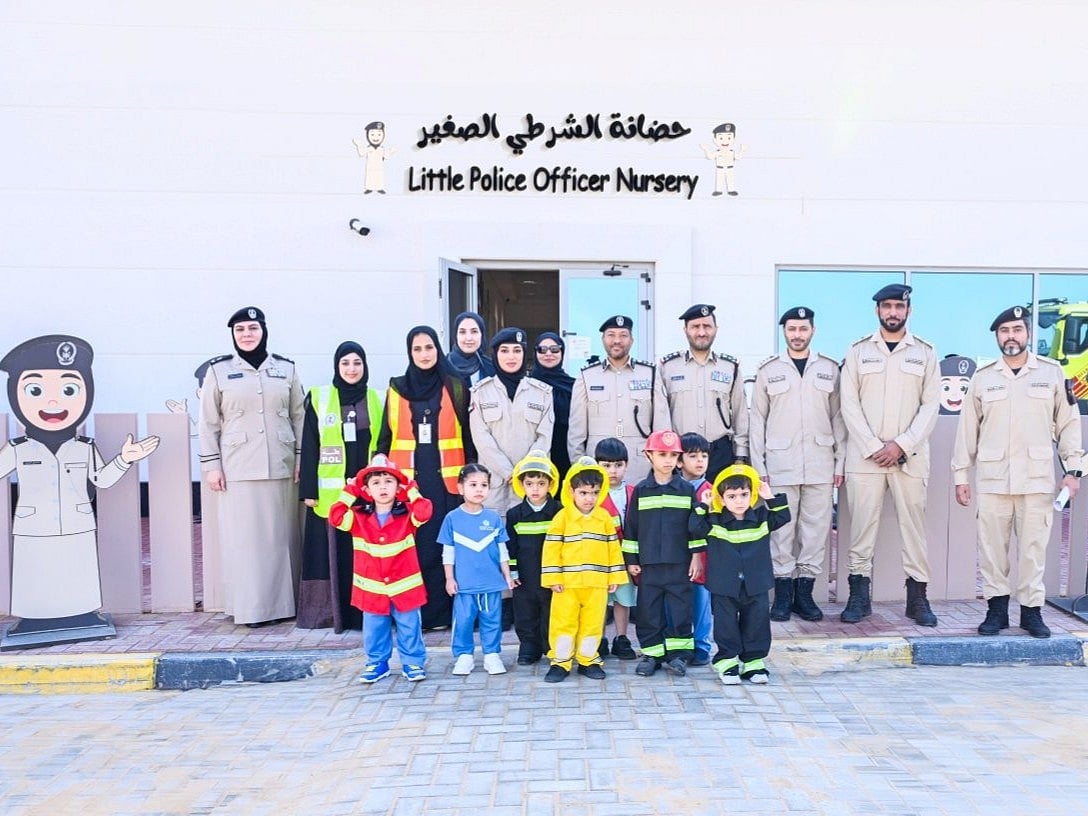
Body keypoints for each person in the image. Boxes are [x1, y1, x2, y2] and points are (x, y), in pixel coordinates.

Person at [0, 335, 159, 640]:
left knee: (76, 572)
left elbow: (102, 479)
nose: (53, 402)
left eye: (69, 390)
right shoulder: (18, 448)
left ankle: (83, 614)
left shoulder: (84, 446)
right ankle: (32, 618)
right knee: (35, 573)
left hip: (77, 523)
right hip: (34, 526)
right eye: (35, 390)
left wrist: (124, 459)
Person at [952, 305, 1084, 639]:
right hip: (993, 480)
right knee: (992, 551)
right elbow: (967, 432)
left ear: (1028, 333)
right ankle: (996, 611)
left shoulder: (1051, 373)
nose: (1011, 337)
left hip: (1036, 480)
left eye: (1016, 330)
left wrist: (1074, 471)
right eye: (1004, 331)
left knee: (1032, 551)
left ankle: (1031, 612)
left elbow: (1068, 426)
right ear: (997, 337)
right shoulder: (983, 378)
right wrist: (960, 476)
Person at [839, 284, 940, 627]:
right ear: (877, 311)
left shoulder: (925, 352)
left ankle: (918, 599)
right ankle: (858, 597)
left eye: (899, 306)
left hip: (909, 458)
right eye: (887, 306)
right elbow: (848, 404)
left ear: (908, 311)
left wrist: (901, 445)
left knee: (914, 530)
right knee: (861, 530)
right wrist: (873, 446)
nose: (893, 312)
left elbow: (930, 406)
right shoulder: (858, 351)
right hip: (865, 459)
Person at [199, 307, 305, 628]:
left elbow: (299, 416)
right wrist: (212, 465)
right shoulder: (219, 371)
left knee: (282, 540)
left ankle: (285, 606)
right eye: (241, 329)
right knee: (246, 544)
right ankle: (252, 609)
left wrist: (301, 457)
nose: (247, 334)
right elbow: (208, 422)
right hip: (239, 468)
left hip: (282, 464)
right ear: (233, 335)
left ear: (264, 331)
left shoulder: (285, 369)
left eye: (253, 328)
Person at [749, 306, 845, 623]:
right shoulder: (768, 370)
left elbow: (839, 418)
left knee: (815, 531)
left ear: (812, 331)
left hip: (820, 463)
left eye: (803, 329)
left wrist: (840, 462)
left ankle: (804, 595)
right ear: (784, 332)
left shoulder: (829, 369)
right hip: (779, 465)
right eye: (792, 329)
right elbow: (757, 421)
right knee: (782, 531)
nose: (797, 335)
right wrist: (759, 467)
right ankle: (782, 596)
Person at [377, 325, 472, 631]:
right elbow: (385, 436)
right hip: (408, 488)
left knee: (445, 549)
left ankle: (445, 615)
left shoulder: (456, 385)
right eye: (417, 349)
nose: (424, 354)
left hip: (447, 485)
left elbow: (468, 436)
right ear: (409, 352)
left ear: (438, 349)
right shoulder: (396, 387)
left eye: (429, 347)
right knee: (413, 551)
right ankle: (415, 614)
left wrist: (472, 478)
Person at [297, 341, 383, 632]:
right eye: (345, 363)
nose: (351, 369)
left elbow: (383, 443)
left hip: (367, 494)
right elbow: (309, 444)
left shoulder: (376, 398)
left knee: (362, 556)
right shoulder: (320, 398)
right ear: (337, 366)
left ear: (365, 366)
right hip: (330, 497)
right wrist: (308, 490)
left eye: (357, 363)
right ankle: (328, 615)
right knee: (331, 557)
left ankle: (362, 615)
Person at [328, 455, 432, 683]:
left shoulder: (407, 514)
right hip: (372, 588)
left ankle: (413, 662)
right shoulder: (358, 517)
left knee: (409, 626)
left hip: (405, 586)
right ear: (366, 490)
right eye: (376, 483)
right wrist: (351, 490)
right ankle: (377, 663)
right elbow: (335, 517)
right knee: (374, 629)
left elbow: (424, 512)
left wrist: (410, 487)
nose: (383, 487)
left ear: (398, 487)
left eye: (389, 481)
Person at [692, 464, 790, 684]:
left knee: (757, 622)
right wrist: (704, 505)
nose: (739, 501)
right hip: (724, 585)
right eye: (732, 496)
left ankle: (753, 662)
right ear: (721, 498)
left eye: (744, 494)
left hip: (756, 584)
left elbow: (783, 516)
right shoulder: (714, 520)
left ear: (752, 494)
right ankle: (727, 663)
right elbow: (694, 527)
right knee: (725, 625)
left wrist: (769, 497)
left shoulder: (762, 518)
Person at [623, 429, 704, 678]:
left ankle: (679, 656)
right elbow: (632, 527)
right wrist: (632, 560)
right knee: (649, 611)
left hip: (680, 563)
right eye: (662, 454)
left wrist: (696, 557)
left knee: (681, 610)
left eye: (673, 455)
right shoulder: (641, 490)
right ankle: (652, 655)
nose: (668, 460)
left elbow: (694, 527)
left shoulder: (686, 490)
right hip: (649, 565)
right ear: (649, 455)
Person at [541, 456, 628, 683]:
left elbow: (613, 548)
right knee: (563, 622)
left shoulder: (605, 518)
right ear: (571, 491)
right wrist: (553, 578)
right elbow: (551, 550)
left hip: (597, 584)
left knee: (593, 622)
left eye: (594, 492)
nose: (589, 498)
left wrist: (614, 576)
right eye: (583, 493)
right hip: (566, 585)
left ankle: (588, 660)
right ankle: (560, 662)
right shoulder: (562, 518)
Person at [568, 314, 671, 484]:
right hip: (598, 465)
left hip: (641, 467)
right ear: (603, 339)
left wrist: (661, 466)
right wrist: (580, 467)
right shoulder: (587, 376)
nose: (617, 341)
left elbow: (662, 425)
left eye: (623, 335)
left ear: (632, 340)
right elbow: (576, 431)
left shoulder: (650, 374)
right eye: (611, 335)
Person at [439, 464, 515, 675]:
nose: (479, 489)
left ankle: (492, 655)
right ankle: (464, 656)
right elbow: (448, 552)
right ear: (460, 488)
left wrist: (508, 575)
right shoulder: (452, 518)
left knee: (492, 620)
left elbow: (502, 550)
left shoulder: (493, 518)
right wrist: (449, 578)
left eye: (484, 485)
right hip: (464, 585)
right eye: (473, 485)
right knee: (463, 621)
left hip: (491, 583)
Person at [469, 327, 554, 514]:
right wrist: (509, 472)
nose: (511, 357)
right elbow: (481, 438)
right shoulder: (480, 392)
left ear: (524, 354)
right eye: (504, 351)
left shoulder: (542, 392)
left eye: (517, 350)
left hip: (531, 483)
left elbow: (544, 437)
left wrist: (524, 472)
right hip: (494, 484)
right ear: (495, 355)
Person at [659, 304, 749, 481]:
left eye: (707, 326)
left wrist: (741, 455)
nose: (701, 332)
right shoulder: (668, 367)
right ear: (685, 330)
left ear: (716, 329)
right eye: (695, 327)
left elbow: (741, 414)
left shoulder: (730, 367)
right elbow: (660, 415)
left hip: (720, 454)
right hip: (681, 454)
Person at [506, 450, 562, 666]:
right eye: (529, 484)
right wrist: (513, 572)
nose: (535, 489)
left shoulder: (559, 512)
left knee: (552, 611)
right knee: (525, 612)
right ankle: (529, 647)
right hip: (525, 575)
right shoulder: (515, 514)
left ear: (551, 484)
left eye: (541, 483)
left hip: (551, 575)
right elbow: (511, 546)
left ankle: (551, 646)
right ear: (522, 485)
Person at [595, 437, 638, 660]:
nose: (613, 471)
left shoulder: (634, 492)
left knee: (623, 597)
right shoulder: (592, 493)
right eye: (606, 465)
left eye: (618, 465)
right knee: (600, 599)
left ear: (626, 465)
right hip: (599, 556)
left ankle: (622, 638)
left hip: (625, 556)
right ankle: (599, 639)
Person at [678, 432, 715, 666]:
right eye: (693, 456)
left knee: (702, 603)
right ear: (679, 461)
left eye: (704, 456)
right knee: (677, 602)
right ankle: (678, 644)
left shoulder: (711, 492)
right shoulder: (673, 488)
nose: (700, 460)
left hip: (703, 557)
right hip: (676, 556)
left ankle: (701, 646)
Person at [530, 332, 575, 480]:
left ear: (562, 352)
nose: (548, 354)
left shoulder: (574, 386)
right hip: (535, 450)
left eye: (554, 349)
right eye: (542, 350)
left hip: (566, 450)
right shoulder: (527, 385)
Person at [447, 311, 496, 388]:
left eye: (474, 331)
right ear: (456, 336)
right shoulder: (442, 367)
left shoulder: (491, 368)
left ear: (482, 335)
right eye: (462, 332)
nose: (469, 338)